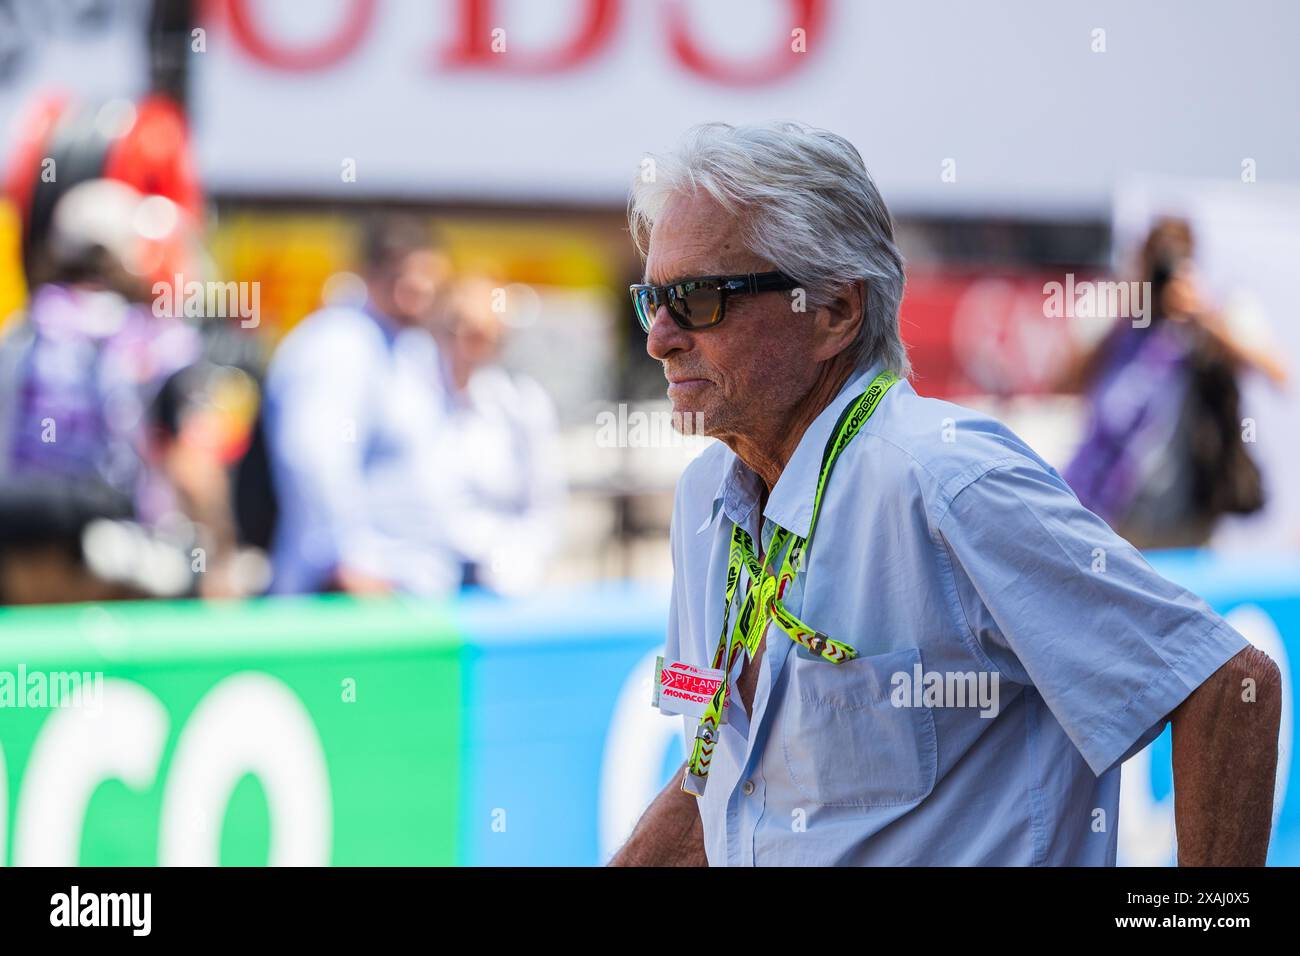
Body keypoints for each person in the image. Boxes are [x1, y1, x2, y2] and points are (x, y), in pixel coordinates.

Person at [610, 122, 1281, 866]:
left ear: (834, 311)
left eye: (700, 299)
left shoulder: (945, 483)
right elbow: (732, 784)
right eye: (655, 299)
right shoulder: (710, 497)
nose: (660, 338)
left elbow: (1229, 687)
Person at [1061, 217, 1288, 549]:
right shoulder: (1119, 311)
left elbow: (1277, 373)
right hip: (1116, 508)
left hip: (1191, 510)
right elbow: (1067, 380)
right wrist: (1129, 312)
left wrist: (1204, 315)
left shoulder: (1217, 309)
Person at [262, 213, 459, 595]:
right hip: (349, 594)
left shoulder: (412, 348)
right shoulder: (339, 343)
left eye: (429, 279)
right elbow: (312, 455)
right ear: (369, 273)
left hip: (410, 586)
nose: (418, 290)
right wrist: (349, 560)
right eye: (403, 276)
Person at [430, 277, 565, 594]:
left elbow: (545, 505)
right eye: (455, 330)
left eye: (480, 336)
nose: (464, 347)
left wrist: (519, 562)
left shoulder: (520, 404)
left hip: (502, 580)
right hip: (424, 578)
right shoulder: (411, 400)